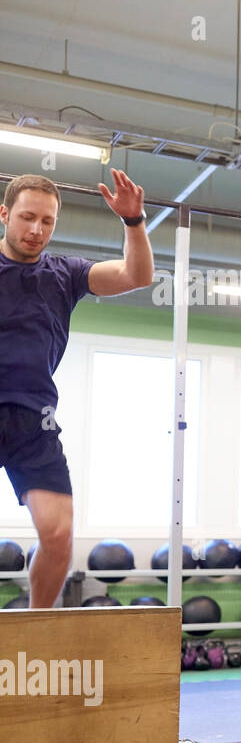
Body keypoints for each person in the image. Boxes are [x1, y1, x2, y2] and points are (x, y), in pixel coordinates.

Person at [0, 171, 155, 608]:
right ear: (5, 214)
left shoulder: (64, 274)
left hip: (34, 421)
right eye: (28, 218)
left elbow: (136, 275)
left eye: (47, 222)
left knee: (59, 536)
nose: (36, 230)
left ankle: (36, 628)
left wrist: (133, 221)